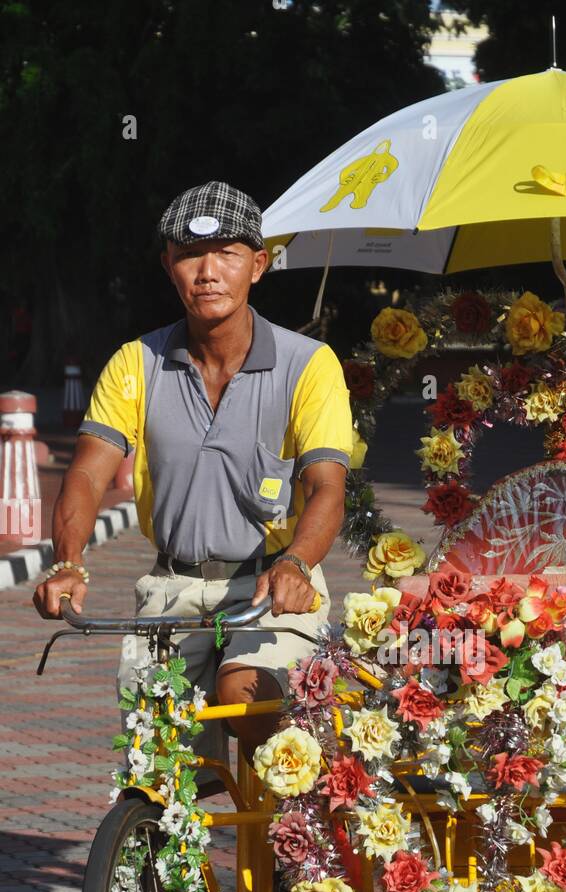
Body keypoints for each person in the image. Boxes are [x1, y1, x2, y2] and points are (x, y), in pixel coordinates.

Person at [33, 180, 352, 767]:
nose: (208, 271)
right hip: (171, 591)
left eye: (227, 254)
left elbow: (327, 486)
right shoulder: (136, 363)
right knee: (159, 768)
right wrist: (68, 561)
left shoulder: (309, 365)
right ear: (168, 266)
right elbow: (85, 475)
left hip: (271, 589)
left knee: (245, 695)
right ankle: (162, 842)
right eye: (189, 255)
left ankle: (287, 846)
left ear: (258, 265)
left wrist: (297, 563)